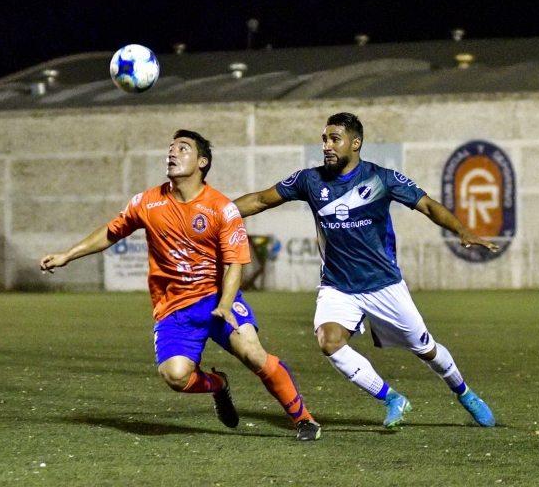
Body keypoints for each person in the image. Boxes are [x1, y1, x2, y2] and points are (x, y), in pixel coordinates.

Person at [39, 130, 321, 441]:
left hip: (216, 301)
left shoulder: (221, 208)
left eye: (182, 148)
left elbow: (234, 263)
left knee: (254, 354)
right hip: (173, 309)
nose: (172, 153)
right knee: (175, 376)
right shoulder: (147, 202)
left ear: (202, 162)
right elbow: (111, 232)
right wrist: (67, 255)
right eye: (170, 148)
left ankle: (304, 420)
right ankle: (219, 385)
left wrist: (225, 305)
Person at [233, 112, 498, 429]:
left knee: (426, 349)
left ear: (355, 143)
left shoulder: (382, 179)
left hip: (383, 284)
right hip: (338, 286)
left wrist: (461, 230)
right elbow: (262, 199)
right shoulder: (310, 180)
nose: (327, 146)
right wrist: (217, 213)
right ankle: (391, 398)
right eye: (325, 139)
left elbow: (427, 205)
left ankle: (465, 394)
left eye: (335, 139)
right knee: (328, 340)